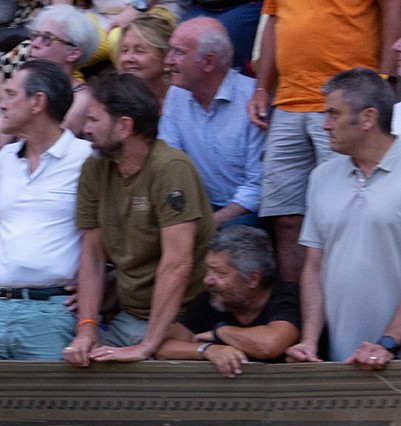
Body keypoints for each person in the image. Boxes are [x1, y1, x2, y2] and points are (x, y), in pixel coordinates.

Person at [63, 73, 215, 367]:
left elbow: (177, 264)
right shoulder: (95, 168)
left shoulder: (170, 169)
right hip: (128, 316)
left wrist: (147, 346)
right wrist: (87, 328)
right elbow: (93, 255)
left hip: (181, 318)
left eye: (94, 120)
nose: (85, 128)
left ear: (124, 126)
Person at [250, 0, 399, 283]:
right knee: (285, 217)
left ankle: (345, 305)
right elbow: (273, 20)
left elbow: (392, 6)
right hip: (288, 101)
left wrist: (385, 78)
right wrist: (261, 87)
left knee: (350, 215)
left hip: (348, 102)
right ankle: (295, 314)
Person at [0, 60, 92, 362]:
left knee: (49, 408)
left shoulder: (86, 158)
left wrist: (102, 292)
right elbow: (6, 227)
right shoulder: (4, 160)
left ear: (38, 102)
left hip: (50, 309)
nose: (4, 103)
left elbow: (106, 235)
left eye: (10, 94)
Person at [286, 68, 401, 370]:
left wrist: (388, 341)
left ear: (368, 118)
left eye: (334, 115)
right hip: (342, 359)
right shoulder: (321, 177)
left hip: (393, 355)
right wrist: (310, 340)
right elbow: (314, 265)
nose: (324, 126)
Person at [160, 16, 264, 229]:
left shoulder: (252, 100)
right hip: (197, 206)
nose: (167, 61)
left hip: (243, 212)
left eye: (178, 52)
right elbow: (170, 165)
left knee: (235, 234)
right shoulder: (176, 95)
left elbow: (257, 185)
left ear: (209, 62)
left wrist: (210, 223)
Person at [156, 225, 299, 378]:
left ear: (253, 278)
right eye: (208, 270)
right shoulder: (208, 302)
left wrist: (220, 332)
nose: (207, 280)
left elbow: (270, 344)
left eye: (219, 273)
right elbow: (164, 348)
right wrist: (208, 349)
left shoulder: (286, 297)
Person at [0, 4, 102, 157]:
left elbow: (41, 145)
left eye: (46, 38)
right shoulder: (25, 87)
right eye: (35, 35)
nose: (35, 44)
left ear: (73, 53)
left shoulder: (81, 98)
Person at [117, 13, 174, 106]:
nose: (128, 58)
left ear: (165, 55)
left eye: (139, 51)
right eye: (124, 51)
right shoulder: (112, 99)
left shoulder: (183, 99)